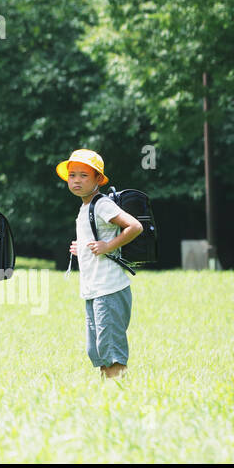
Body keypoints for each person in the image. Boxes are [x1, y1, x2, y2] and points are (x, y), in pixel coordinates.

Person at [59, 148, 143, 379]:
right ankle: (108, 395)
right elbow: (98, 236)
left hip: (109, 288)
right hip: (94, 290)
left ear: (98, 179)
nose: (76, 180)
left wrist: (108, 246)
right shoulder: (85, 206)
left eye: (84, 175)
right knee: (98, 349)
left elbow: (135, 226)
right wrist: (83, 247)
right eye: (72, 175)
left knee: (111, 349)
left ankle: (119, 396)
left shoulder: (102, 204)